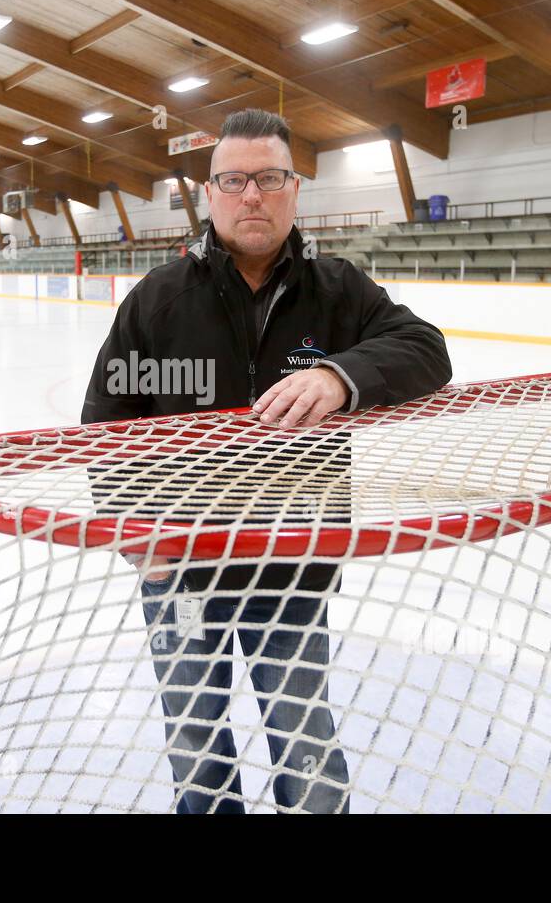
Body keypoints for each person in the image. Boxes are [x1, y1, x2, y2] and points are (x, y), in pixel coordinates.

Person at [81, 108, 452, 813]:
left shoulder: (338, 290)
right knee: (195, 742)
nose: (253, 194)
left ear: (294, 189)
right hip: (181, 571)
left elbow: (427, 348)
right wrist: (133, 528)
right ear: (211, 192)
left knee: (304, 740)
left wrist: (341, 375)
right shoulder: (158, 300)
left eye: (271, 178)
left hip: (292, 566)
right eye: (235, 179)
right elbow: (106, 421)